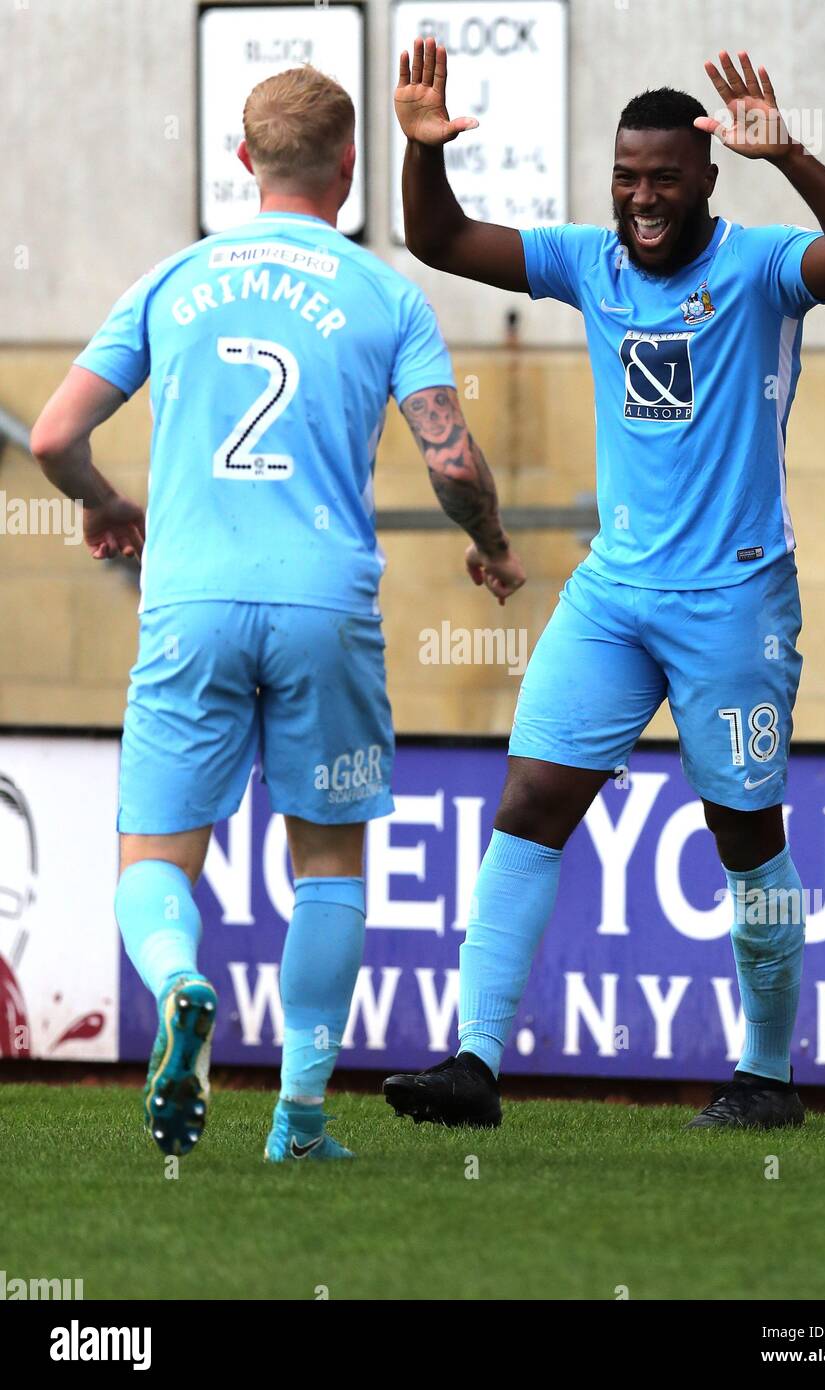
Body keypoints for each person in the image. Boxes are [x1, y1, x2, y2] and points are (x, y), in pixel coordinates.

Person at [383, 39, 825, 1130]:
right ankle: (474, 1064)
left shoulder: (759, 267)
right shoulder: (588, 261)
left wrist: (794, 153)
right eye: (626, 176)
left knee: (743, 833)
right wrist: (421, 151)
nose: (641, 197)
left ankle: (766, 1076)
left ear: (707, 176)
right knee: (529, 801)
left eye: (663, 177)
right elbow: (433, 236)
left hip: (735, 603)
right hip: (612, 596)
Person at [30, 64, 524, 1161]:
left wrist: (109, 506)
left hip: (191, 602)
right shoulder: (385, 292)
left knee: (154, 859)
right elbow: (450, 458)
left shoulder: (172, 279)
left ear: (243, 161)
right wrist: (489, 544)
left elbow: (56, 435)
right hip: (323, 605)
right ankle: (299, 1117)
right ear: (350, 168)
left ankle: (181, 981)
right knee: (330, 869)